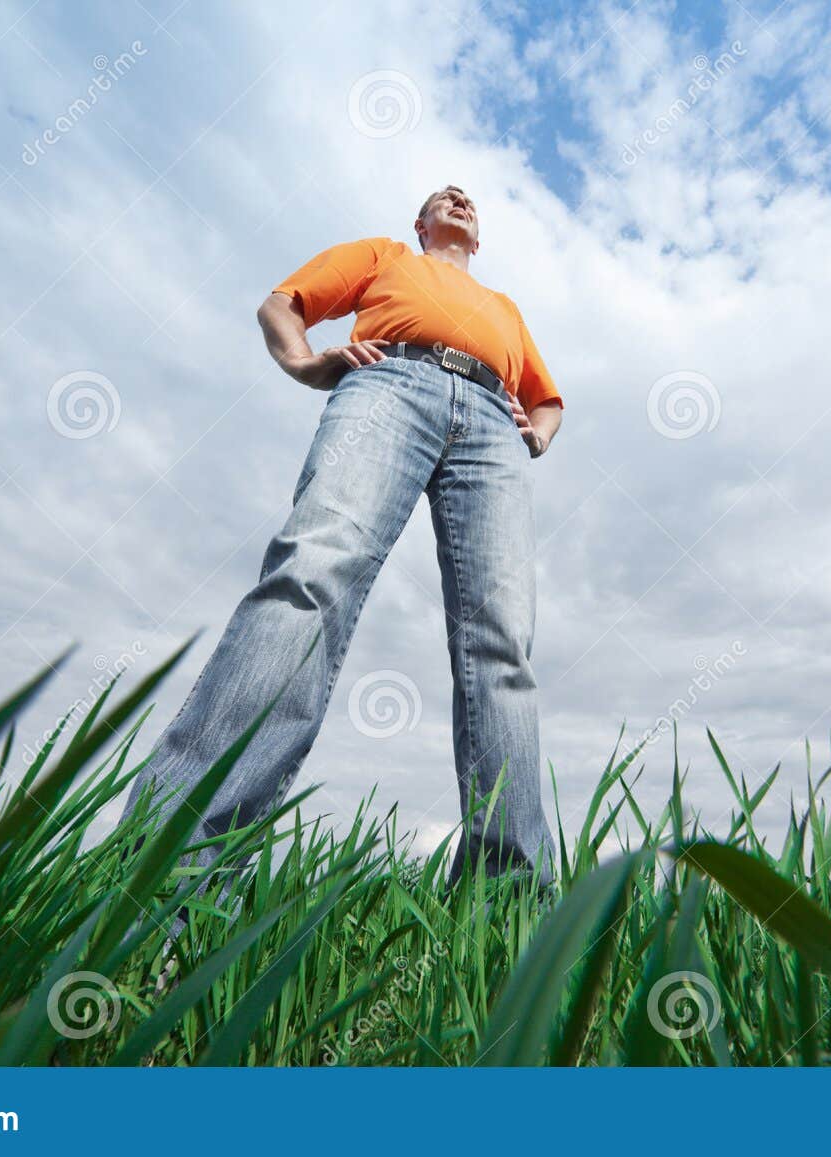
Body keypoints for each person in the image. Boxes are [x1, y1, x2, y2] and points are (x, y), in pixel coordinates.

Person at [121, 185, 563, 888]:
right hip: (390, 380)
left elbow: (545, 398)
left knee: (503, 640)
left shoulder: (505, 310)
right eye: (440, 198)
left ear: (477, 236)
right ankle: (174, 869)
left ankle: (506, 905)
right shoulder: (383, 256)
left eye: (468, 200)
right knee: (311, 575)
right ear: (420, 225)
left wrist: (532, 438)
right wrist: (301, 361)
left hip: (490, 424)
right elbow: (283, 302)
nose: (458, 198)